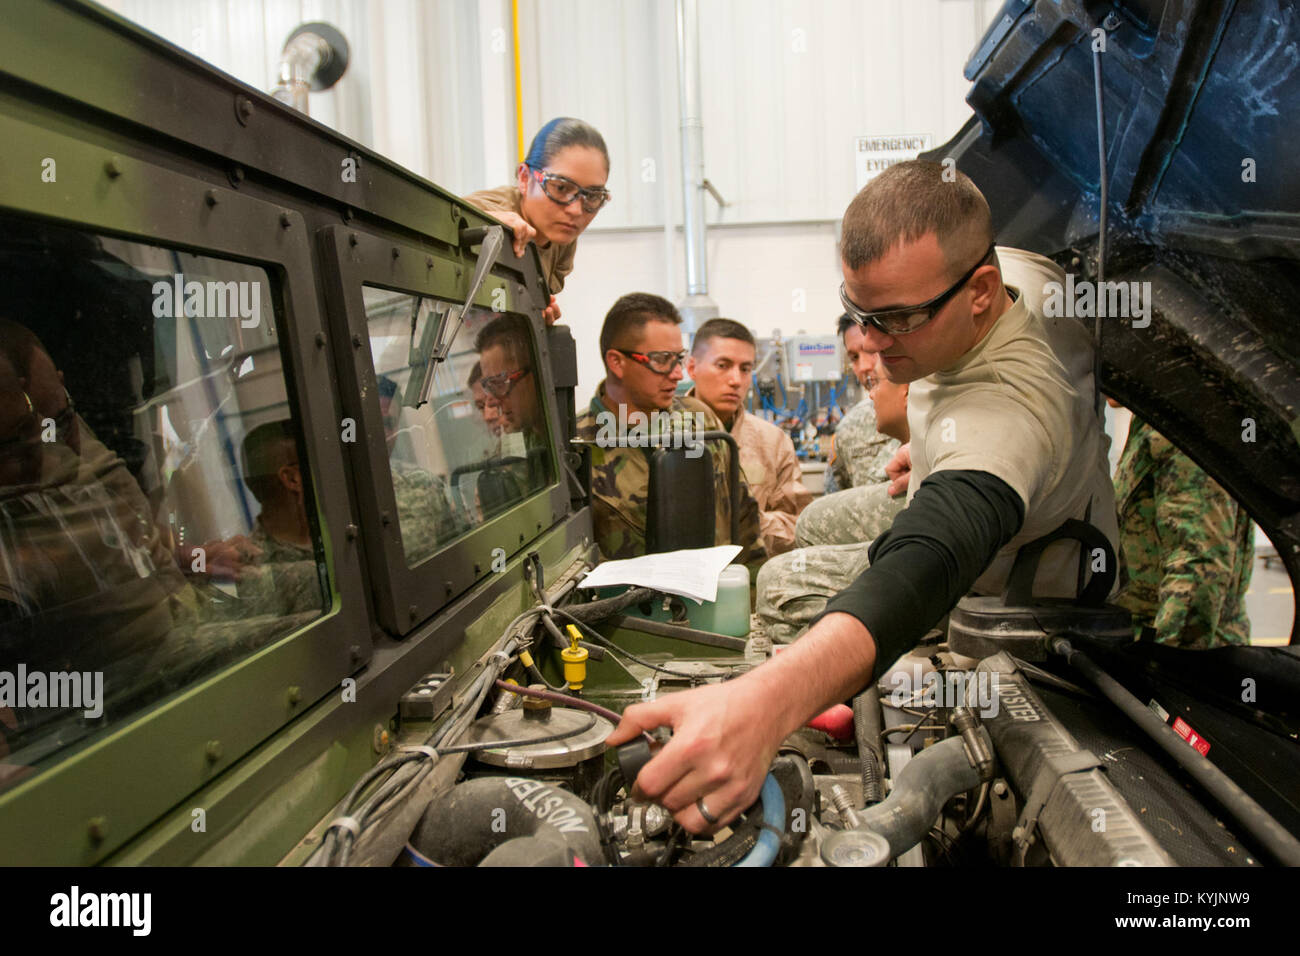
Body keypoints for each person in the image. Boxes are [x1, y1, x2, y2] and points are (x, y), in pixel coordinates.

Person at [606, 159, 1118, 832]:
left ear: (982, 291)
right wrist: (932, 448)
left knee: (785, 584)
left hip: (1017, 615)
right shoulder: (1023, 275)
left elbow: (923, 561)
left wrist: (765, 704)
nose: (870, 346)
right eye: (860, 315)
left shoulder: (1011, 417)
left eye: (897, 319)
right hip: (1015, 510)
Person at [574, 293, 765, 569]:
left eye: (678, 358)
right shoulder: (576, 446)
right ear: (617, 362)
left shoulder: (699, 420)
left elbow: (744, 520)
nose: (677, 373)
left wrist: (748, 600)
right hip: (627, 609)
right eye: (662, 360)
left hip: (713, 601)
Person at [1110, 406, 1253, 648]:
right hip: (1146, 636)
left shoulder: (1185, 426)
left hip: (1183, 651)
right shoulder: (1152, 421)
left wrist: (1166, 671)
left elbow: (1198, 567)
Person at [464, 118, 611, 326]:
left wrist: (536, 314)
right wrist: (482, 222)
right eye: (561, 188)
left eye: (592, 196)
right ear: (524, 178)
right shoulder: (491, 212)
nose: (576, 210)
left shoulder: (562, 238)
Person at [684, 318, 811, 556]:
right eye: (722, 365)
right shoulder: (663, 436)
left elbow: (800, 524)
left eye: (745, 369)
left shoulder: (773, 442)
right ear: (692, 368)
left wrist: (745, 520)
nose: (736, 380)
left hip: (751, 581)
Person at [792, 324, 909, 551]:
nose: (865, 366)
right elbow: (832, 509)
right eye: (854, 357)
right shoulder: (850, 428)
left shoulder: (940, 412)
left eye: (873, 351)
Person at [235, 421, 325, 619]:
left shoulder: (337, 531)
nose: (331, 470)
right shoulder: (251, 571)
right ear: (293, 479)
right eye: (320, 460)